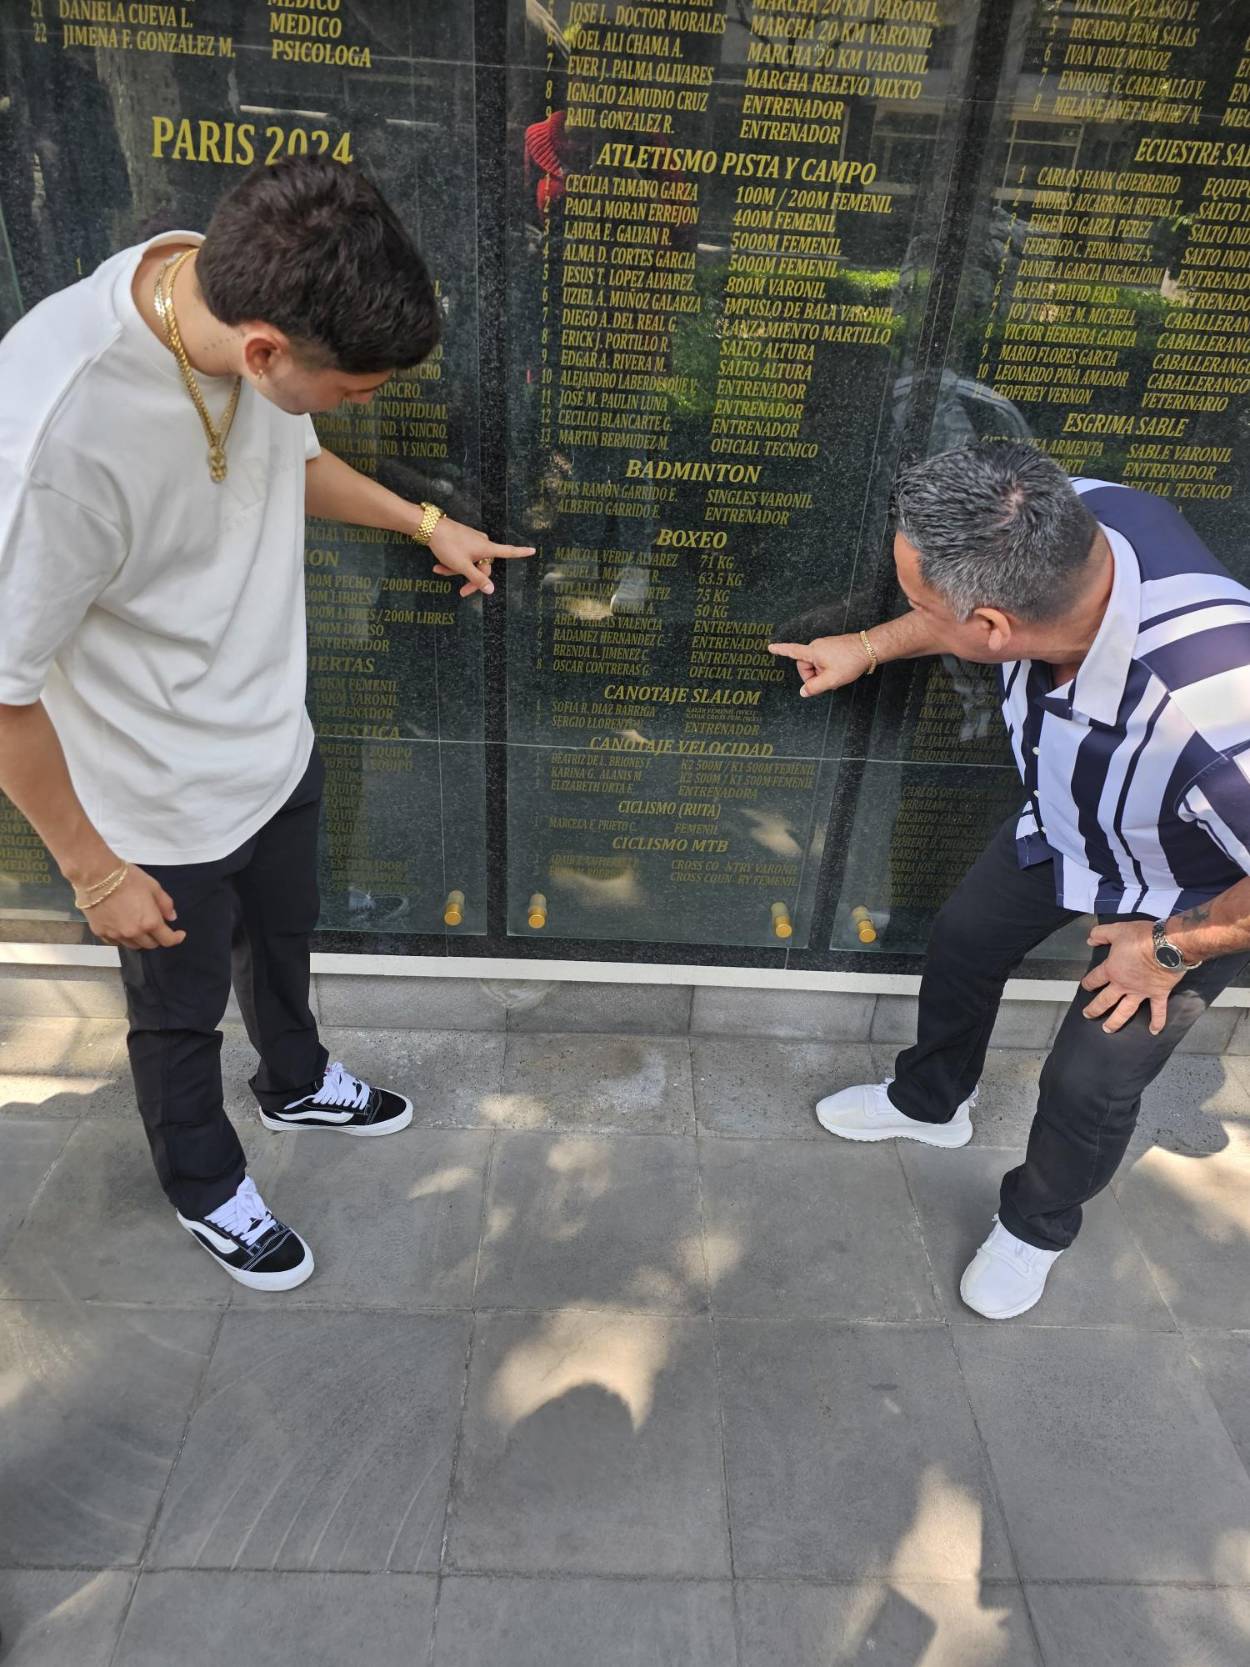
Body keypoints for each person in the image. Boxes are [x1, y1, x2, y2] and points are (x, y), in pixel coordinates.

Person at [0, 156, 533, 1292]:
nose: (363, 405)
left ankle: (294, 1078)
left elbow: (293, 457)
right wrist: (95, 871)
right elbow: (2, 691)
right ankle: (206, 1183)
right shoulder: (55, 444)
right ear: (262, 353)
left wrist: (423, 521)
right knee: (179, 1018)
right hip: (157, 805)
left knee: (284, 939)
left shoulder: (225, 282)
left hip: (273, 744)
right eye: (355, 388)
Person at [771, 444, 1250, 1319]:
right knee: (963, 942)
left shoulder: (1218, 720)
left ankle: (1037, 1223)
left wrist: (1173, 948)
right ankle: (929, 1101)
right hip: (1066, 821)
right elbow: (963, 609)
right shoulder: (1064, 512)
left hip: (1187, 895)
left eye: (917, 606)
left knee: (1088, 1083)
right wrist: (870, 646)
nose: (910, 614)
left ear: (992, 629)